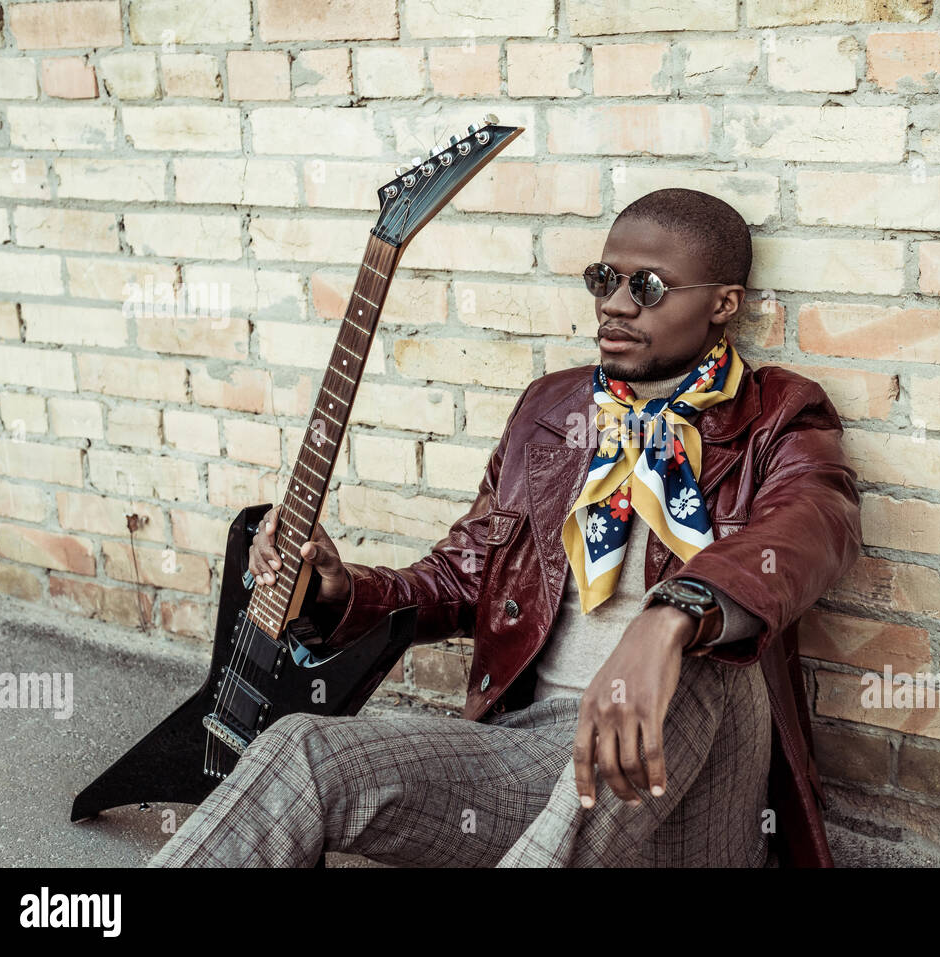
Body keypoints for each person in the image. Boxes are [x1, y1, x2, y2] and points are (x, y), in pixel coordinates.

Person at [149, 188, 862, 868]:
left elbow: (811, 528)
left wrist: (672, 617)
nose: (613, 303)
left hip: (695, 796)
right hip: (530, 757)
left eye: (645, 286)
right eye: (603, 278)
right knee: (300, 746)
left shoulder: (780, 415)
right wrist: (343, 591)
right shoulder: (552, 410)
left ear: (723, 304)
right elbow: (461, 578)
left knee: (704, 649)